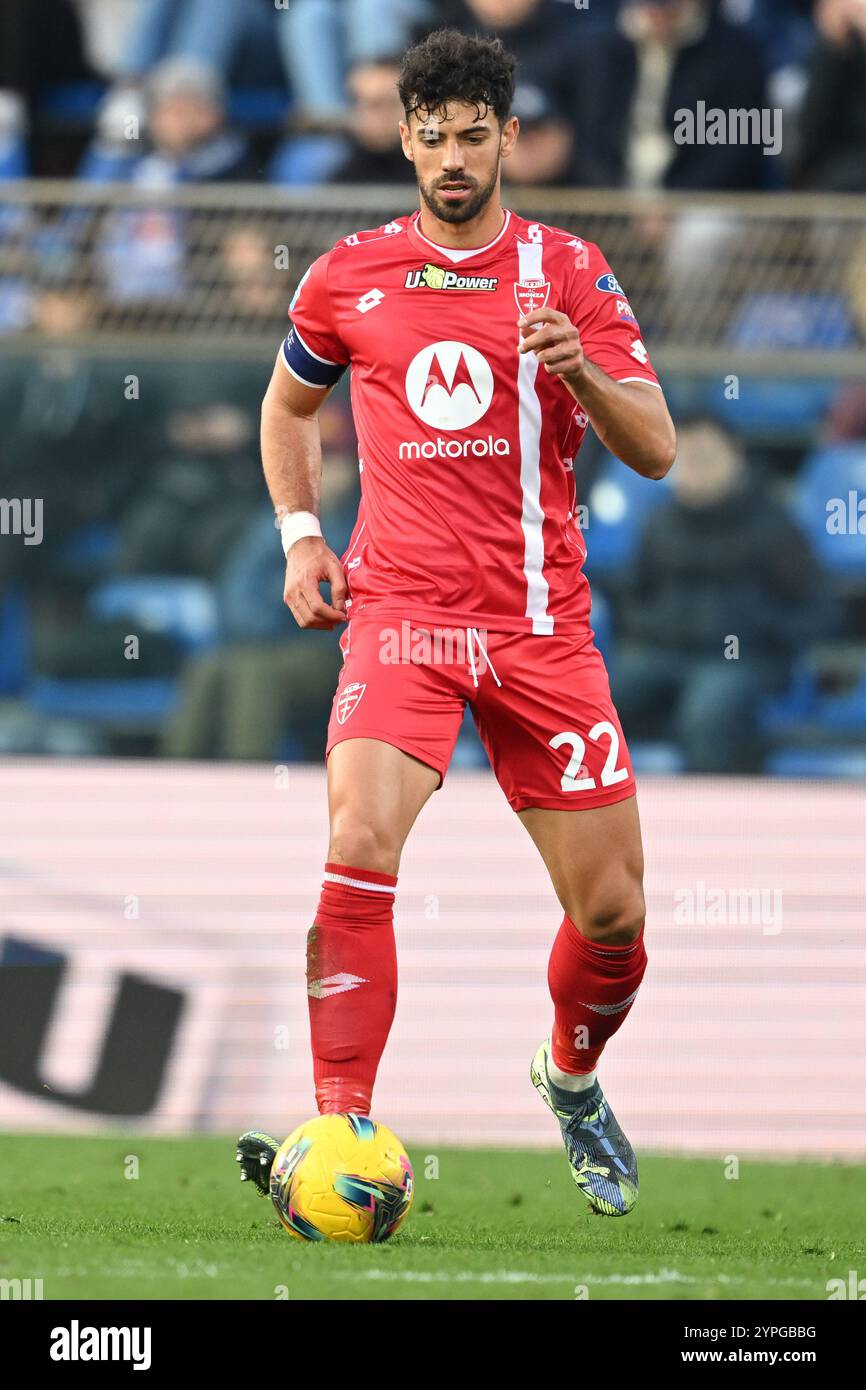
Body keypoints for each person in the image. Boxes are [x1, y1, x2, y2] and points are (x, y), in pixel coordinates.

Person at [237, 28, 676, 1222]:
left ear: (506, 139)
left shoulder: (569, 271)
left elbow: (657, 448)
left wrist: (578, 371)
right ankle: (341, 1123)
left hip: (539, 629)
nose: (446, 157)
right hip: (402, 620)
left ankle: (570, 1076)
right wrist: (300, 536)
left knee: (615, 917)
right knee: (358, 837)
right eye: (426, 136)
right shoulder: (347, 276)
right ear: (403, 137)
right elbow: (286, 409)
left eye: (470, 135)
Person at [611, 415, 820, 772]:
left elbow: (814, 607)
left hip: (740, 659)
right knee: (597, 703)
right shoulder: (659, 522)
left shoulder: (772, 525)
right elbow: (633, 596)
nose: (696, 469)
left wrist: (759, 632)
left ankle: (708, 817)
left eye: (706, 458)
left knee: (707, 715)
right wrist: (654, 628)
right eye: (687, 460)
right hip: (662, 650)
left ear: (735, 458)